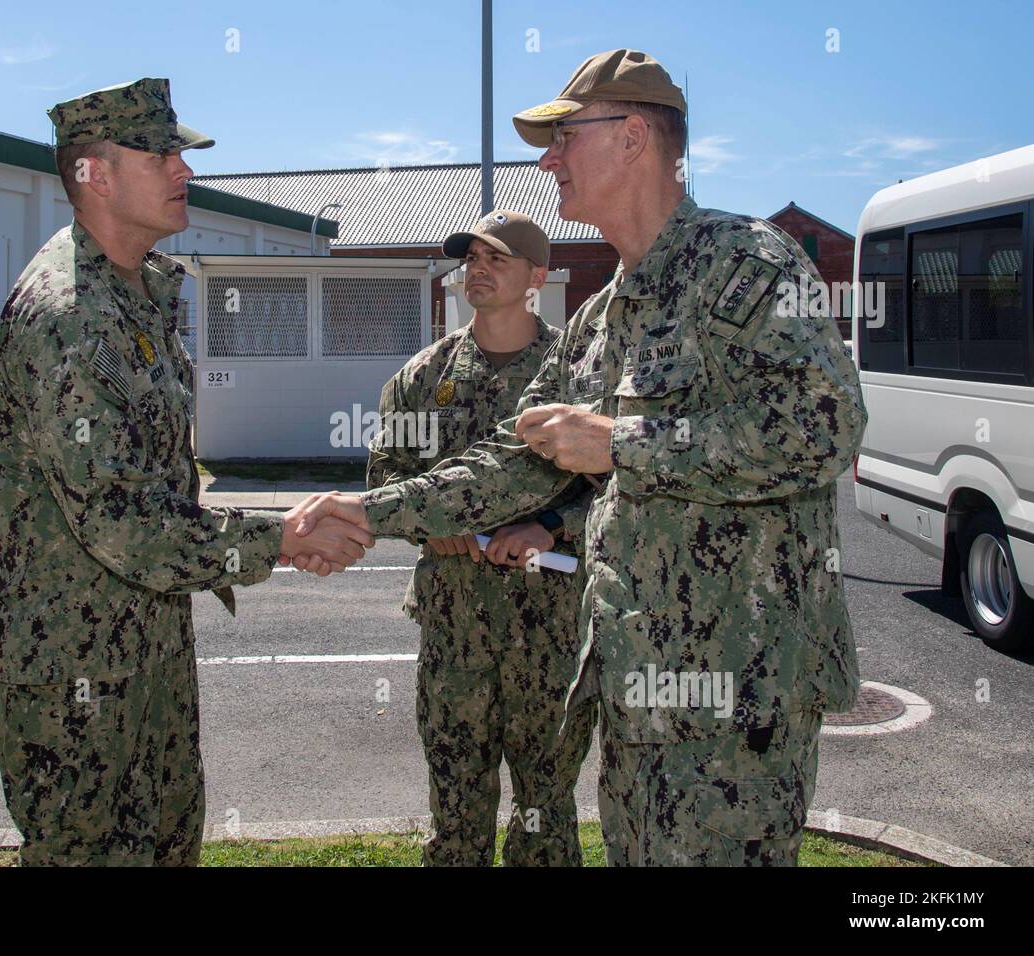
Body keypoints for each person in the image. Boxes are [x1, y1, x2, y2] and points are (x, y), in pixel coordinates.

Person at [290, 49, 868, 866]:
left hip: (740, 692)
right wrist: (368, 512)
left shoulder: (745, 263)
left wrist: (622, 444)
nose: (547, 158)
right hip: (635, 688)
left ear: (634, 137)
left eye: (565, 136)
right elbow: (514, 459)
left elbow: (824, 426)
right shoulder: (602, 317)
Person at [0, 77, 373, 866]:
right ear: (92, 173)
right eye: (159, 153)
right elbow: (126, 528)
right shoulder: (71, 318)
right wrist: (283, 540)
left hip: (144, 647)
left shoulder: (137, 292)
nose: (182, 169)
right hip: (78, 679)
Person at [367, 211, 595, 866]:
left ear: (538, 276)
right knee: (456, 809)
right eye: (472, 257)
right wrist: (435, 526)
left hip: (548, 630)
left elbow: (615, 487)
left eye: (498, 257)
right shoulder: (422, 377)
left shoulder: (576, 378)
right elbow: (387, 477)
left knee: (544, 812)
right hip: (455, 630)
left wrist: (549, 524)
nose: (480, 268)